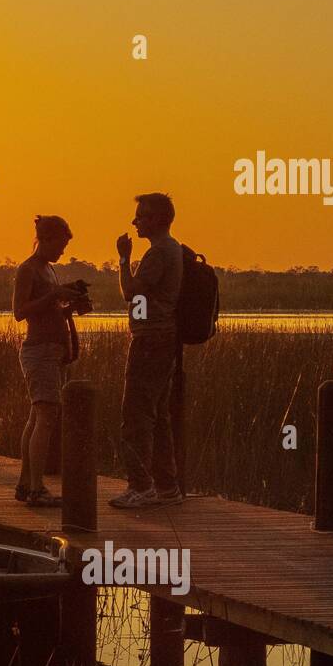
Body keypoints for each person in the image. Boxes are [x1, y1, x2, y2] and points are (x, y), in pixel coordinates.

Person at [109, 192, 184, 509]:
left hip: (150, 340)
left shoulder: (159, 253)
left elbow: (130, 292)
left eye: (141, 215)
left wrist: (124, 258)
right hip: (164, 338)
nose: (135, 221)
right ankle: (167, 486)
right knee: (158, 415)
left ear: (159, 219)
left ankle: (141, 487)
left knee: (135, 415)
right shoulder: (172, 249)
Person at [12, 215, 89, 507]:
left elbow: (48, 308)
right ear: (45, 240)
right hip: (38, 351)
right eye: (60, 244)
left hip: (53, 352)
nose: (62, 250)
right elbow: (20, 311)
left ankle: (25, 484)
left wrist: (68, 305)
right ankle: (36, 487)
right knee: (45, 415)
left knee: (37, 417)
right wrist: (54, 296)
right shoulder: (28, 270)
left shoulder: (50, 271)